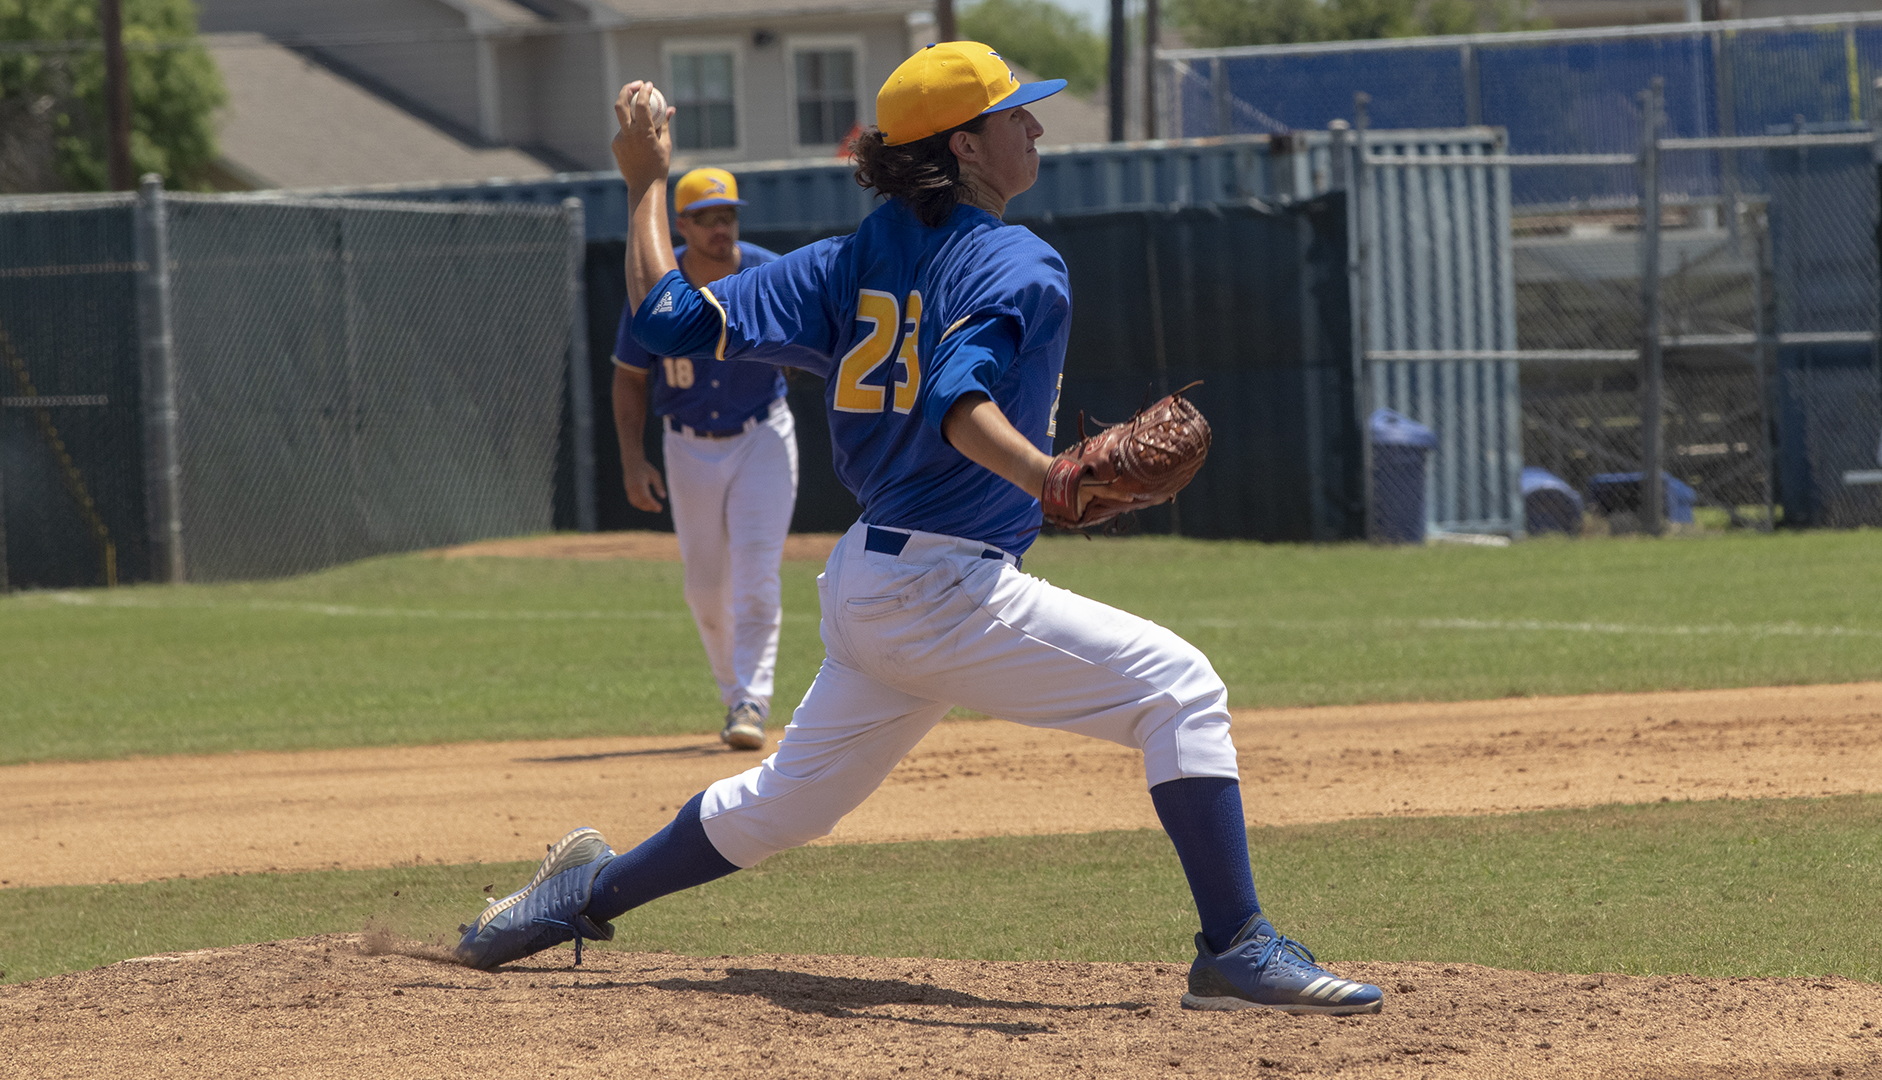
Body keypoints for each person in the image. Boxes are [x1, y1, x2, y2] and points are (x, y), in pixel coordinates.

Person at [454, 42, 1383, 1016]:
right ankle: (1236, 947)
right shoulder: (1017, 261)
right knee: (1182, 691)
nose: (1035, 125)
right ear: (965, 146)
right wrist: (1047, 476)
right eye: (1015, 113)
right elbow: (955, 395)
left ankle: (577, 896)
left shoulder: (853, 257)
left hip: (872, 581)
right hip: (941, 585)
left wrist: (646, 184)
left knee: (781, 806)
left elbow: (673, 323)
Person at [610, 167, 796, 752]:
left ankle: (751, 700)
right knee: (704, 587)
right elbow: (629, 378)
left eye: (729, 215)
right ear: (681, 225)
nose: (722, 228)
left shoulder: (768, 271)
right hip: (686, 444)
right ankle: (732, 690)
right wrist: (631, 460)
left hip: (761, 433)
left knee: (757, 576)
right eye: (708, 218)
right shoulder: (659, 285)